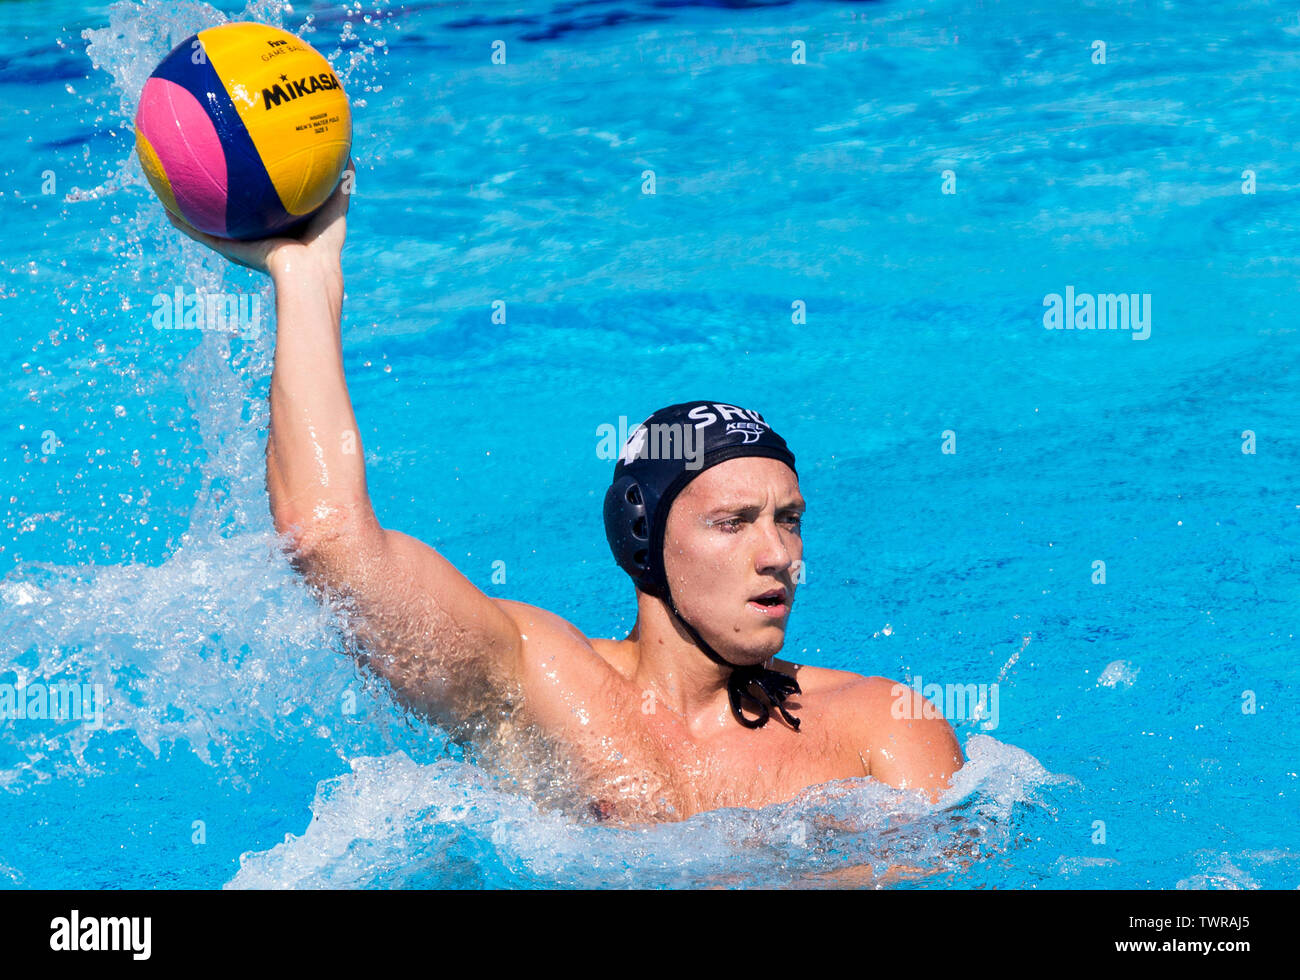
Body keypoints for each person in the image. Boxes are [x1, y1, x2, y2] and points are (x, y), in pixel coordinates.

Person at [166, 169, 964, 824]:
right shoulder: (542, 685)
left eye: (788, 520)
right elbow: (326, 539)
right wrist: (305, 277)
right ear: (643, 536)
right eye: (734, 522)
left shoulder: (881, 727)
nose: (780, 556)